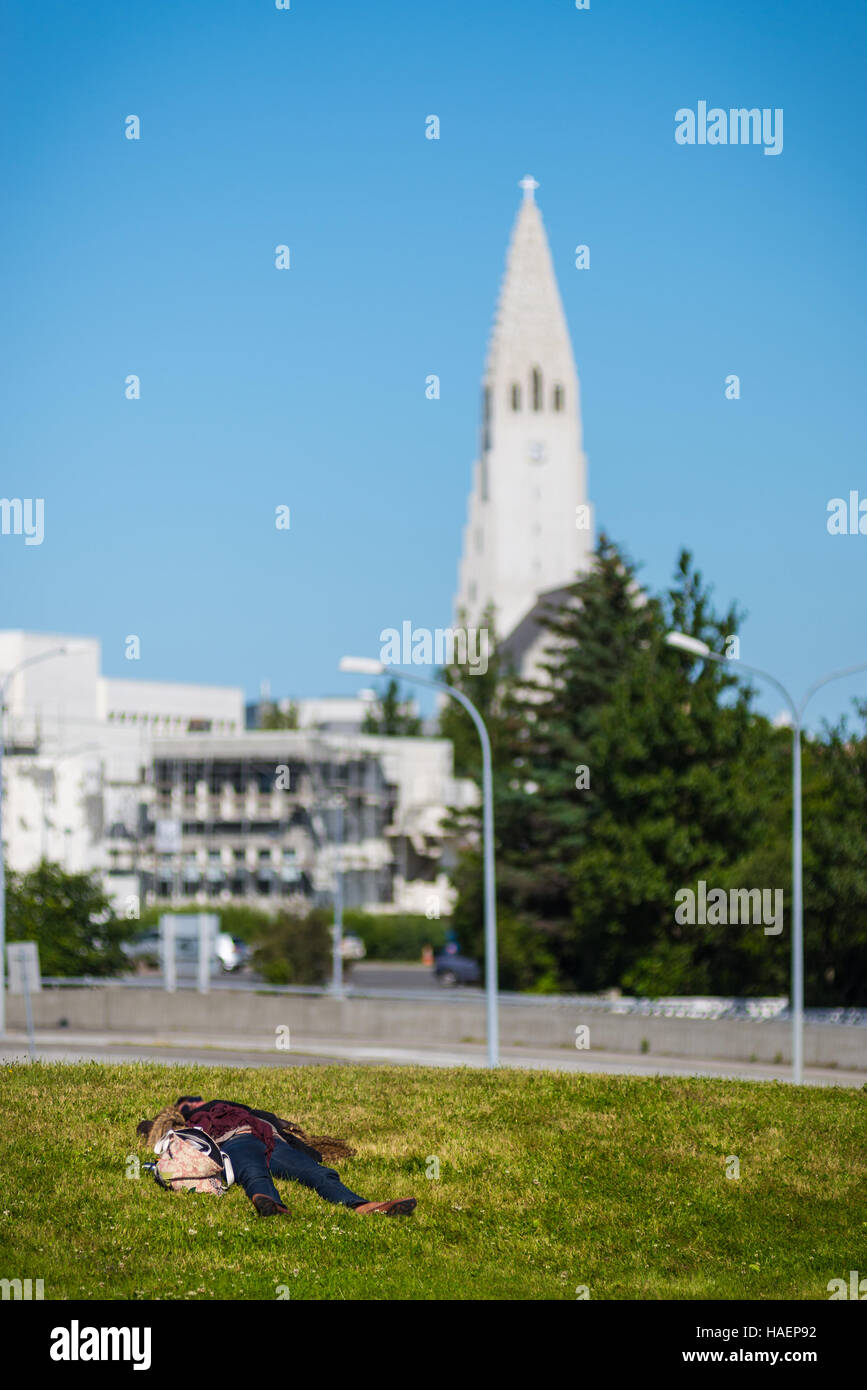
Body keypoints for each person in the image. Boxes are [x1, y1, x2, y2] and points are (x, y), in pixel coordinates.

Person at [146, 1094, 416, 1218]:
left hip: (270, 1139)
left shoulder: (247, 1112)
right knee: (253, 1172)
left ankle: (362, 1205)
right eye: (187, 1104)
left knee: (315, 1172)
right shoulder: (187, 1124)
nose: (194, 1104)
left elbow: (279, 1124)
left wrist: (291, 1134)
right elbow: (155, 1130)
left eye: (195, 1100)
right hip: (234, 1142)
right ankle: (269, 1204)